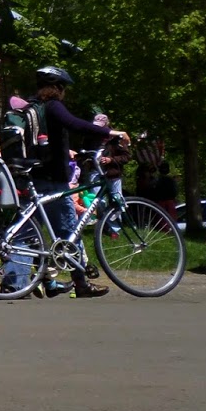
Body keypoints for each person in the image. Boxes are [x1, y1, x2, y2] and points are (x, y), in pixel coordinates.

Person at [26, 65, 129, 299]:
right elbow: (73, 123)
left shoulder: (34, 107)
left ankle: (16, 282)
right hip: (53, 177)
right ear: (58, 88)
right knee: (68, 229)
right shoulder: (53, 106)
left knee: (31, 232)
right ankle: (81, 284)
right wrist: (110, 133)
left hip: (36, 173)